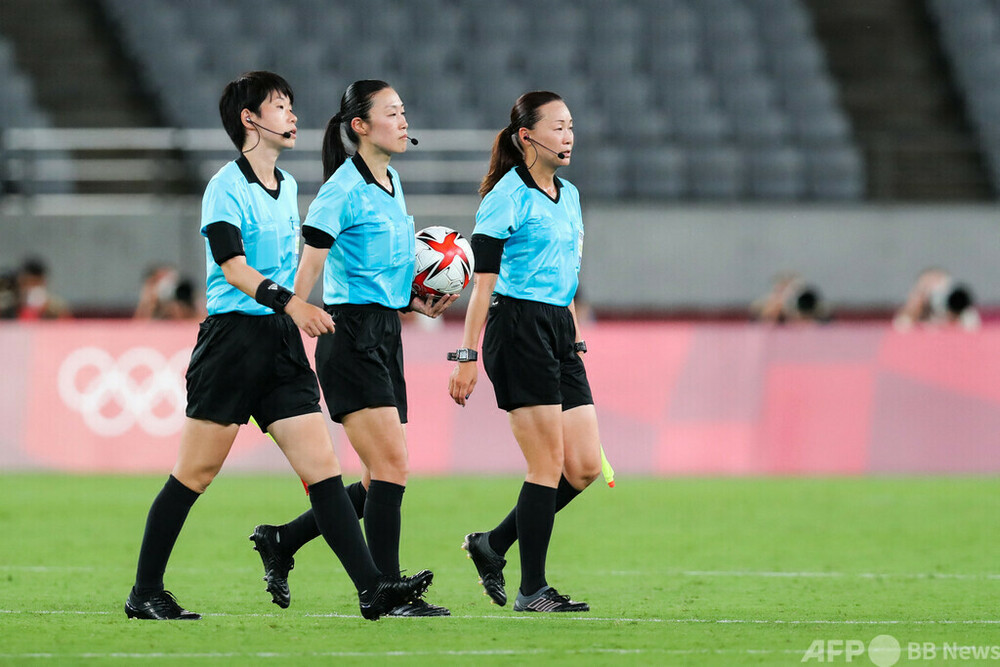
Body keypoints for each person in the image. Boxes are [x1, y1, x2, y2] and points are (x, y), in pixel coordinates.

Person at [124, 71, 431, 622]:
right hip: (233, 342)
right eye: (281, 106)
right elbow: (231, 266)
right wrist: (292, 303)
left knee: (325, 474)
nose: (292, 115)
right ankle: (145, 590)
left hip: (280, 344)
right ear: (250, 120)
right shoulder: (224, 186)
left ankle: (372, 589)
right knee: (193, 475)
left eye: (291, 106)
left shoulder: (288, 186)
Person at [247, 80, 455, 617]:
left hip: (386, 333)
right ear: (360, 126)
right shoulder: (341, 189)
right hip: (351, 337)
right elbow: (308, 270)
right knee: (392, 468)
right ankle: (388, 591)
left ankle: (283, 539)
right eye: (393, 113)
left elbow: (380, 270)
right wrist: (289, 318)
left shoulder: (392, 181)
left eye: (404, 111)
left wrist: (414, 300)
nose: (404, 120)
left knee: (374, 475)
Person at [448, 91, 602, 613]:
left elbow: (569, 277)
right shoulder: (503, 197)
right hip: (517, 328)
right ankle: (532, 589)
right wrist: (466, 357)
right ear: (526, 136)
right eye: (558, 127)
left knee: (580, 468)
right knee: (545, 464)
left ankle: (491, 544)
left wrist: (575, 338)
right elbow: (483, 285)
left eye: (571, 126)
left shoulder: (572, 195)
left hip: (558, 329)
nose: (568, 136)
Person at [893, 267, 980, 331]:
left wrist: (957, 314)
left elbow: (973, 331)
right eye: (928, 288)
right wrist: (911, 312)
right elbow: (899, 331)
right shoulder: (914, 317)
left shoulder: (962, 314)